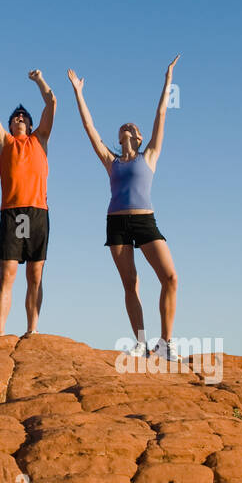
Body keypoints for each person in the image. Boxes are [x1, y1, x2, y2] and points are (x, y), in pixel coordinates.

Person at [67, 56, 181, 360]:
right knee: (130, 283)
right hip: (116, 224)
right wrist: (78, 91)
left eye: (133, 126)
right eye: (124, 126)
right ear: (120, 137)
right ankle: (142, 344)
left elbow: (160, 113)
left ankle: (165, 343)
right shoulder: (111, 160)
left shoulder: (150, 155)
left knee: (170, 278)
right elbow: (89, 126)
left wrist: (168, 79)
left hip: (145, 222)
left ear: (140, 137)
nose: (128, 126)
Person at [0, 66, 55, 336]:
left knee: (35, 275)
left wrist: (39, 79)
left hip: (37, 212)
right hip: (12, 212)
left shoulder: (40, 139)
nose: (19, 118)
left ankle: (32, 330)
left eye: (24, 116)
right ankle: (0, 330)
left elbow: (52, 102)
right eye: (15, 117)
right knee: (7, 273)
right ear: (11, 124)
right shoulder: (4, 142)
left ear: (31, 124)